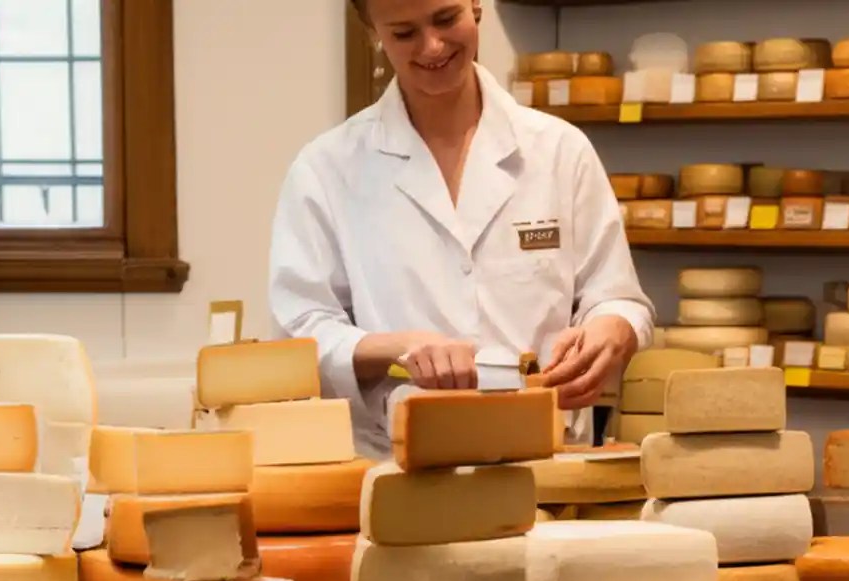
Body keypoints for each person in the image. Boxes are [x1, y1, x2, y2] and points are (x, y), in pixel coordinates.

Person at [268, 0, 656, 458]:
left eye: (445, 19)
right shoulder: (328, 169)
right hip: (398, 471)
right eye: (404, 33)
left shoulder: (559, 150)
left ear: (475, 5)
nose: (432, 46)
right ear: (372, 30)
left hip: (546, 462)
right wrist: (397, 347)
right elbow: (299, 332)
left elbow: (618, 297)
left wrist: (612, 329)